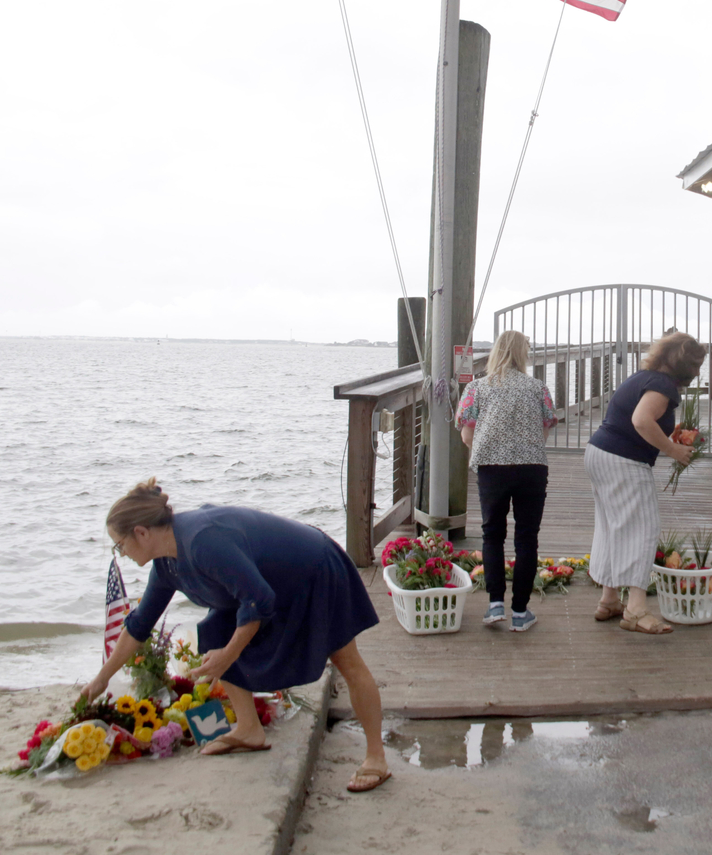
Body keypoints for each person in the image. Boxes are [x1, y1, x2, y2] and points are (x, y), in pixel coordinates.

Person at [85, 479, 391, 793]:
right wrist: (101, 679)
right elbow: (138, 625)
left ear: (141, 532)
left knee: (347, 662)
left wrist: (229, 655)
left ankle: (376, 757)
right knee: (215, 632)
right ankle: (248, 729)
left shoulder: (202, 541)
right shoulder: (166, 564)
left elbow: (259, 600)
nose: (121, 553)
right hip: (269, 583)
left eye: (119, 545)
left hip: (312, 569)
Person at [584, 331, 708, 634]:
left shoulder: (645, 376)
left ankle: (609, 599)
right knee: (643, 528)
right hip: (623, 460)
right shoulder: (663, 385)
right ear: (685, 366)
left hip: (600, 453)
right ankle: (636, 611)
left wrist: (671, 434)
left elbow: (641, 419)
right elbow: (641, 421)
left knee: (613, 526)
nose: (697, 372)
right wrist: (674, 450)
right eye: (696, 366)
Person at [457, 330, 559, 631]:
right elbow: (544, 430)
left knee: (492, 535)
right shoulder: (538, 388)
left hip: (492, 468)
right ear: (522, 354)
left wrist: (491, 446)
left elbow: (466, 433)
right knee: (527, 537)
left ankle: (494, 605)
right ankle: (520, 611)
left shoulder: (477, 388)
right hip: (531, 468)